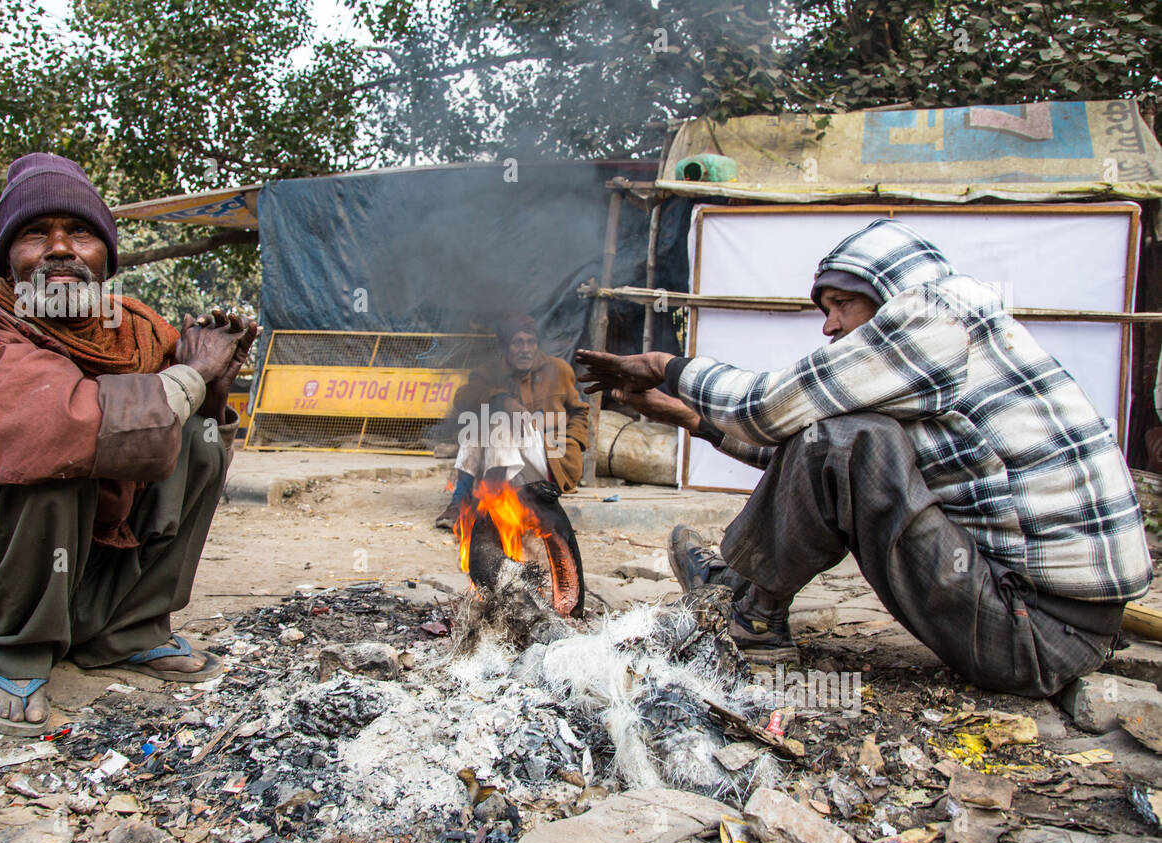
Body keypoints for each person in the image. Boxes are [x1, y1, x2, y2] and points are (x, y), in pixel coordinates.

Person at [577, 218, 1151, 698]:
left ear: (890, 289)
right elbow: (807, 463)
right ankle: (740, 588)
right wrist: (688, 417)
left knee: (847, 436)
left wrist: (663, 367)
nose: (830, 327)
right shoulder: (957, 339)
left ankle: (747, 610)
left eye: (841, 304)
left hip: (1031, 635)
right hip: (1048, 624)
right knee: (840, 435)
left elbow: (772, 410)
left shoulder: (936, 321)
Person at [0, 153, 258, 734]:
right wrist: (188, 375)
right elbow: (66, 422)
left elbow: (179, 421)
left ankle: (124, 630)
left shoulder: (136, 329)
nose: (60, 248)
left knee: (204, 438)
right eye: (35, 233)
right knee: (55, 458)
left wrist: (215, 375)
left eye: (80, 233)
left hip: (84, 572)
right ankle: (16, 653)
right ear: (10, 261)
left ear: (105, 259)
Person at [436, 313, 589, 529]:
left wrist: (571, 443)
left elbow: (580, 413)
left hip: (547, 456)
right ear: (506, 347)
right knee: (484, 427)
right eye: (518, 343)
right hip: (503, 457)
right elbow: (464, 397)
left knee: (499, 426)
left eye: (531, 342)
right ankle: (466, 502)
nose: (526, 349)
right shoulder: (490, 371)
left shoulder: (559, 370)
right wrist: (502, 400)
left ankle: (474, 504)